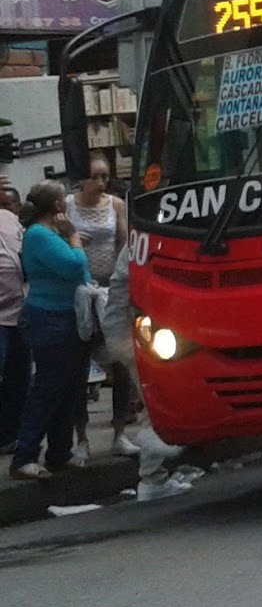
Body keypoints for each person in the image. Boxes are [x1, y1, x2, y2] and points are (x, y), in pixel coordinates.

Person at [9, 180, 92, 480]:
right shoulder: (39, 234)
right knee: (48, 388)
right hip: (51, 319)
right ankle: (24, 456)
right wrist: (74, 237)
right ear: (57, 205)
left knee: (68, 389)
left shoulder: (50, 233)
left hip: (68, 316)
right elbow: (75, 266)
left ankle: (59, 452)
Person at [99, 244, 190, 501]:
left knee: (153, 404)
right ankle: (152, 479)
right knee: (155, 405)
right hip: (132, 339)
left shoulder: (138, 246)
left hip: (134, 336)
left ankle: (154, 475)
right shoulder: (140, 249)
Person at [67, 153, 134, 460]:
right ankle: (81, 438)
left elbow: (123, 242)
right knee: (78, 367)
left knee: (120, 362)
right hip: (80, 290)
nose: (100, 183)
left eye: (105, 177)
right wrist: (70, 238)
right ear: (83, 178)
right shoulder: (68, 205)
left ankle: (120, 433)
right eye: (94, 177)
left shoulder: (115, 205)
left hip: (109, 288)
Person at [0, 182, 27, 452]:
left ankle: (10, 435)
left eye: (6, 204)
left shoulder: (17, 227)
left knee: (18, 379)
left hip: (20, 315)